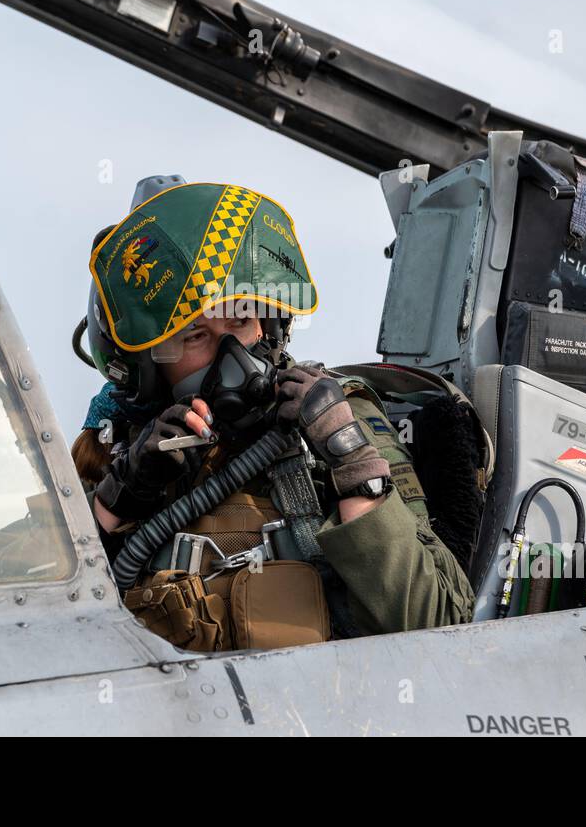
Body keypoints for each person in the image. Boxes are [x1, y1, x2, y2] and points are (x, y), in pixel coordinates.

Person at [72, 180, 473, 650]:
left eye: (240, 319)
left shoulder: (335, 418)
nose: (231, 355)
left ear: (270, 324)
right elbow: (8, 602)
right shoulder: (113, 442)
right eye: (195, 334)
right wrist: (117, 498)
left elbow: (442, 623)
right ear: (146, 364)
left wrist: (351, 462)